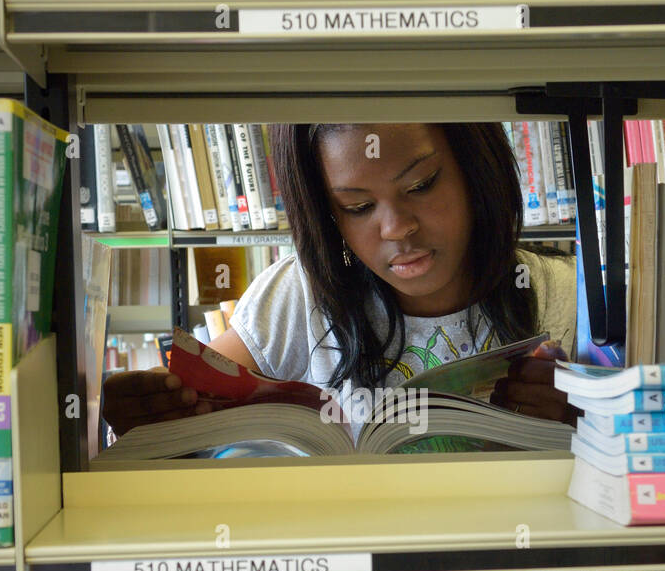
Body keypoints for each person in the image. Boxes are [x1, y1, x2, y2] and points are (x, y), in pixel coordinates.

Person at [102, 122, 580, 439]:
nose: (396, 229)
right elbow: (187, 415)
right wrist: (144, 416)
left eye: (421, 186)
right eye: (358, 207)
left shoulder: (563, 294)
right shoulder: (301, 295)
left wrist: (586, 424)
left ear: (477, 172)